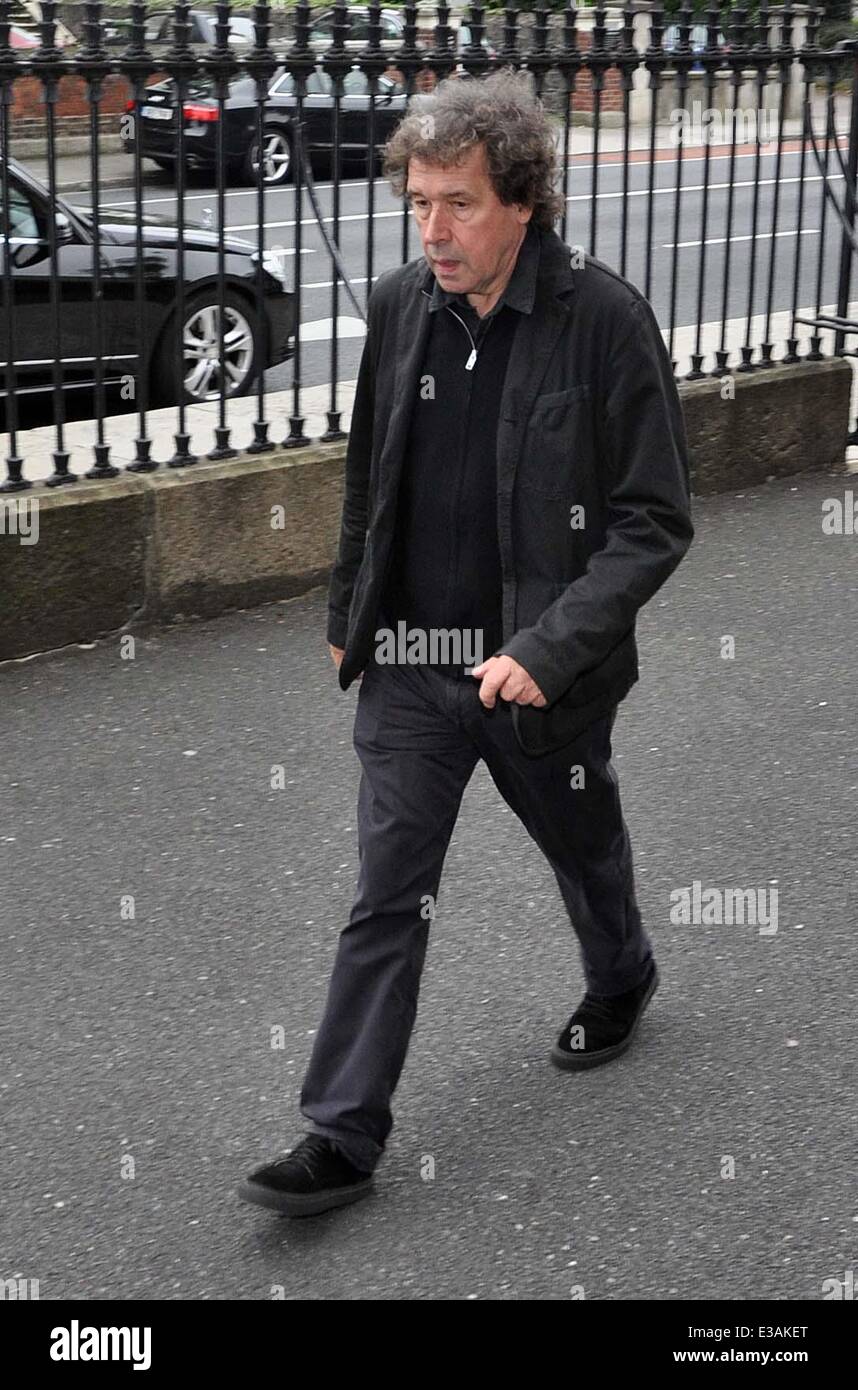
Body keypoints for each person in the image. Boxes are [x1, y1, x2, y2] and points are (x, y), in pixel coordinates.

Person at [239, 69, 694, 1219]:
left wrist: (549, 646)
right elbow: (368, 481)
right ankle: (340, 1135)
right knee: (386, 893)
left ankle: (623, 970)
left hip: (543, 675)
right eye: (420, 201)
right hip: (411, 662)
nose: (434, 229)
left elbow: (653, 522)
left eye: (460, 203)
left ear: (525, 201)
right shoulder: (401, 308)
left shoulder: (603, 320)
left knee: (582, 850)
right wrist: (352, 616)